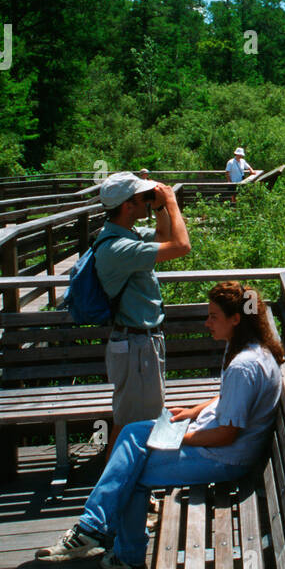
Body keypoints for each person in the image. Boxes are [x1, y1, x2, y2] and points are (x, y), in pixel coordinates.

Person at [36, 281, 285, 569]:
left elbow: (226, 435)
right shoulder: (251, 348)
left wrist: (181, 437)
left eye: (213, 316)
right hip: (216, 441)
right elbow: (229, 397)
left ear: (236, 319)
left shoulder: (243, 365)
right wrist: (195, 410)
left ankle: (114, 547)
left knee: (134, 472)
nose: (207, 323)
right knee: (133, 431)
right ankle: (97, 532)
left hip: (224, 457)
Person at [93, 171, 192, 460]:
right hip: (136, 346)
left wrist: (159, 208)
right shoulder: (117, 248)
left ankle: (127, 485)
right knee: (131, 424)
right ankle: (117, 491)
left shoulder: (125, 235)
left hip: (141, 343)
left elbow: (164, 235)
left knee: (136, 418)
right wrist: (171, 202)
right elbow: (181, 246)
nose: (147, 201)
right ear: (128, 206)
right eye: (142, 198)